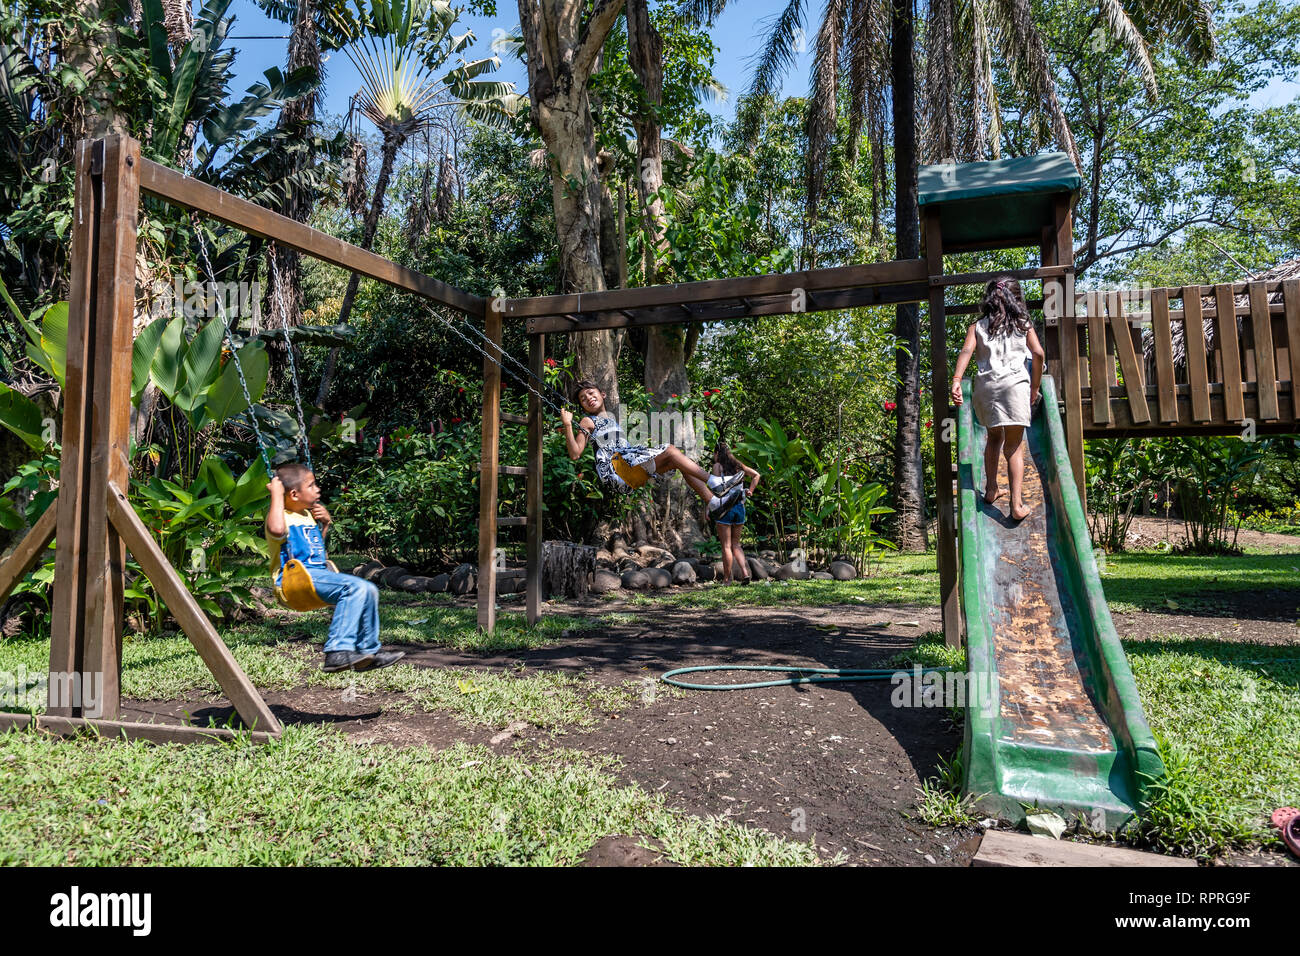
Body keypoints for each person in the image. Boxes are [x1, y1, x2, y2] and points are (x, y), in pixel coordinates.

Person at [266, 462, 404, 673]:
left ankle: (369, 652)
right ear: (294, 494)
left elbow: (315, 551)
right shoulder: (281, 517)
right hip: (292, 582)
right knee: (354, 588)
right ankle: (337, 651)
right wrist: (276, 494)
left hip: (315, 576)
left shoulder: (307, 515)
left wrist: (326, 525)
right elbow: (275, 530)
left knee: (369, 590)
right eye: (311, 485)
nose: (318, 489)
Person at [559, 380, 746, 517]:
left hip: (628, 470)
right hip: (617, 471)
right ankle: (714, 482)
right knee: (671, 450)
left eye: (591, 393)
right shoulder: (587, 421)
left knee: (676, 461)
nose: (589, 399)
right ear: (582, 406)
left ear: (602, 394)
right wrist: (568, 424)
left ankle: (712, 502)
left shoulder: (610, 419)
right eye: (583, 399)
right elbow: (575, 454)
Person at [950, 276, 1045, 522]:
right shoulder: (1023, 324)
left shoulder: (977, 326)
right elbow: (1038, 353)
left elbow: (967, 351)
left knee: (994, 438)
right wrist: (1034, 386)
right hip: (1015, 386)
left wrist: (957, 381)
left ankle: (991, 489)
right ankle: (1016, 504)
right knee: (1013, 446)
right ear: (1016, 299)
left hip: (987, 387)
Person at [709, 441, 760, 584]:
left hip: (725, 508)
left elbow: (716, 489)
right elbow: (756, 475)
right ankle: (744, 573)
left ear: (717, 453)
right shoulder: (738, 465)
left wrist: (708, 507)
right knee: (736, 545)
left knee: (726, 546)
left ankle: (727, 579)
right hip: (740, 508)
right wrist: (750, 490)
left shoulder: (717, 466)